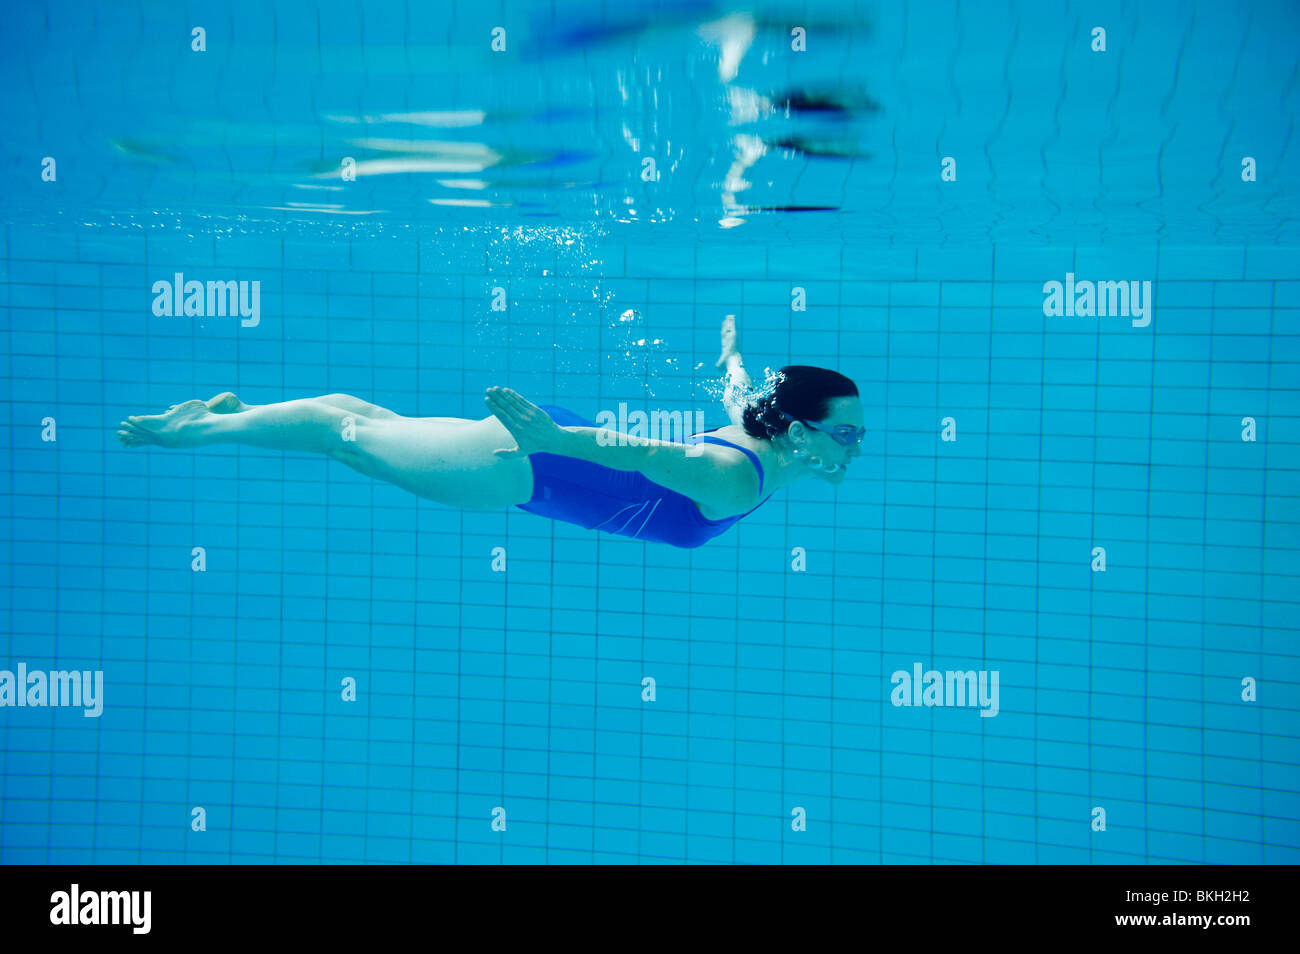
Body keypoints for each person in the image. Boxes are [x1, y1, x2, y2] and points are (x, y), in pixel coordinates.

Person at [117, 315, 864, 548]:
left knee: (371, 427)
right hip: (525, 465)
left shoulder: (760, 433)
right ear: (801, 431)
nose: (855, 447)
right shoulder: (738, 477)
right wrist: (550, 440)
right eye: (848, 434)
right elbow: (644, 450)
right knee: (342, 435)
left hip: (540, 455)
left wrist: (733, 356)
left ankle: (231, 415)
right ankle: (196, 432)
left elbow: (743, 395)